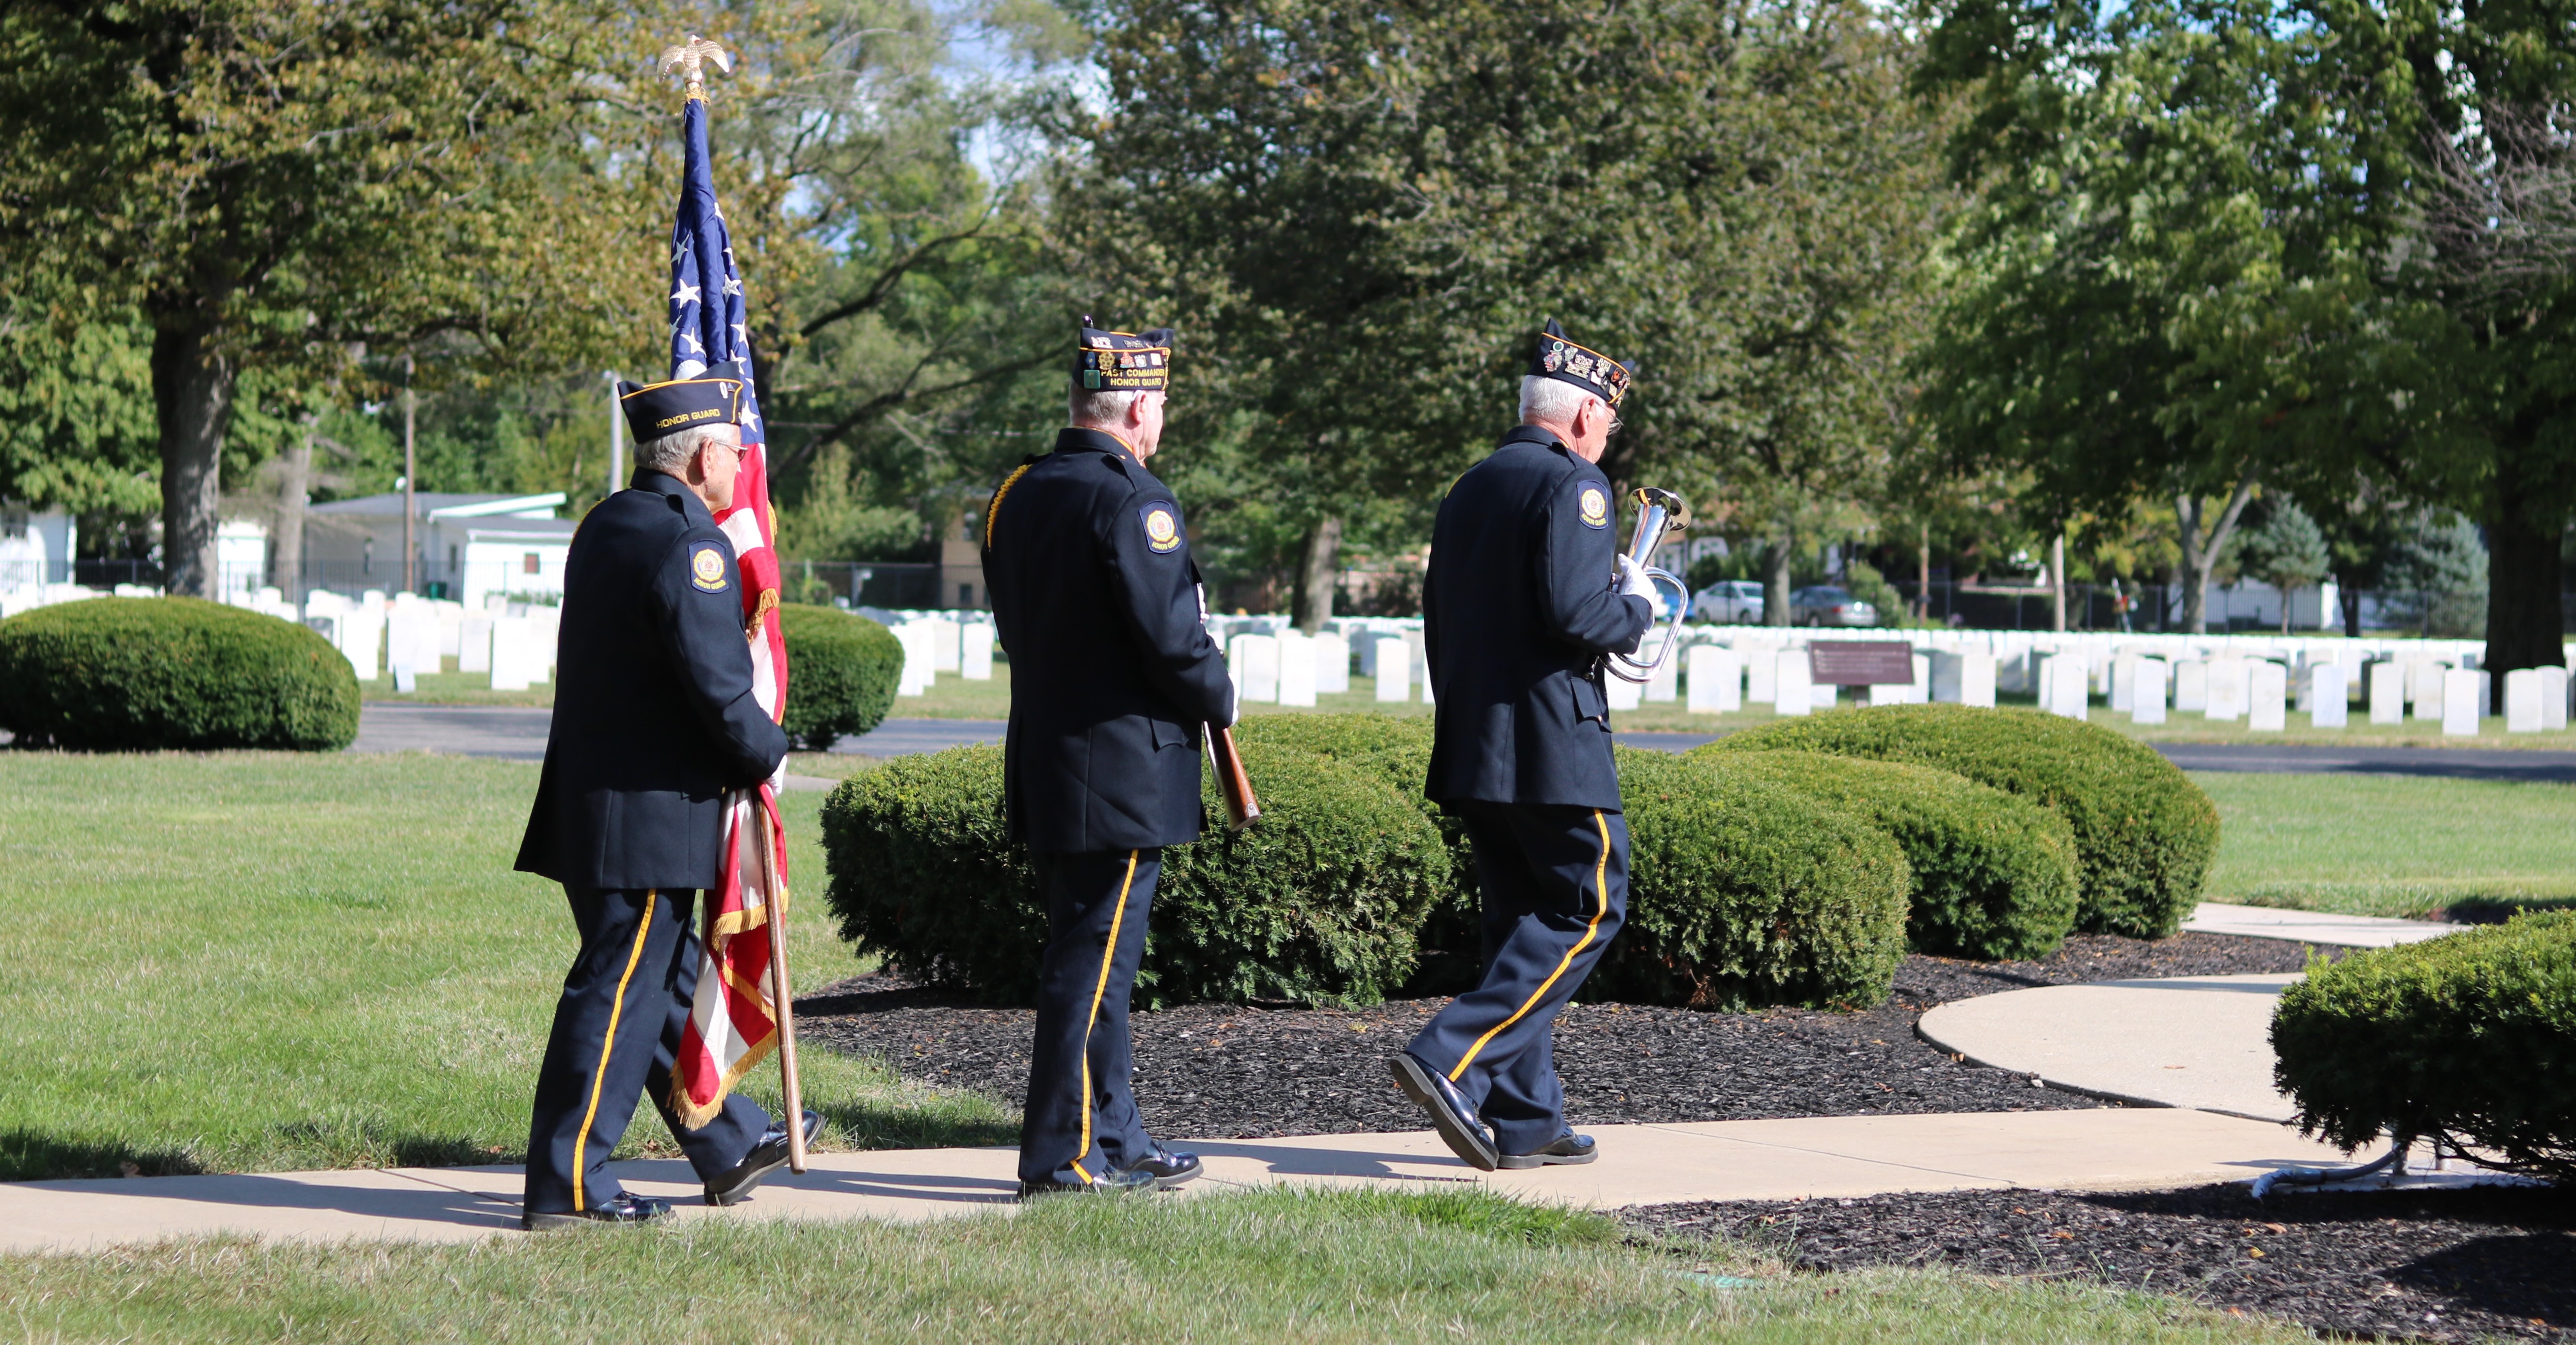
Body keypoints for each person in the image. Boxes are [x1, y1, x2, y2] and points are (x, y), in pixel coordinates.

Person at [513, 363, 818, 1230]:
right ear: (698, 460)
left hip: (595, 805)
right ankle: (569, 1181)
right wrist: (770, 750)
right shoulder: (693, 546)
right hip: (646, 815)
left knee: (647, 987)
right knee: (615, 995)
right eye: (730, 447)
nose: (737, 462)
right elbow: (719, 691)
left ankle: (723, 1140)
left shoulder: (608, 523)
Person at [1391, 319, 1657, 1171]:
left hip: (1478, 740)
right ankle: (1449, 1055)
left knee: (1516, 922)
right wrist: (1640, 604)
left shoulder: (1469, 486)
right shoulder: (1577, 486)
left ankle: (1528, 1113)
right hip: (1553, 745)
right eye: (1607, 424)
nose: (1606, 440)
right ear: (1582, 418)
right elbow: (1577, 615)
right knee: (1590, 906)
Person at [981, 320, 1235, 1199]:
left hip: (1050, 763)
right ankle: (1060, 1157)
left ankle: (1118, 1135)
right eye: (1159, 406)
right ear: (1134, 407)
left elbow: (1018, 630)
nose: (1160, 422)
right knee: (1089, 970)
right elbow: (1173, 641)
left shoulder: (1016, 494)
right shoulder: (1136, 501)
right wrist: (1221, 688)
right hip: (1123, 771)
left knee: (1096, 965)